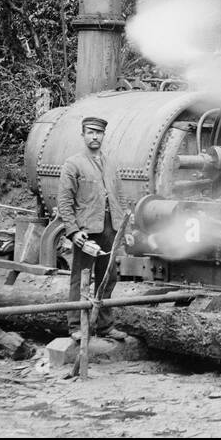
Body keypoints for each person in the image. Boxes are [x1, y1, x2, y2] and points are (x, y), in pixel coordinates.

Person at [57, 116, 129, 341]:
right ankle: (76, 327)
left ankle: (105, 326)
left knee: (108, 277)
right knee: (81, 278)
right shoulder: (73, 164)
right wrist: (73, 231)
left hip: (110, 229)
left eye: (98, 132)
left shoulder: (110, 164)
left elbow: (120, 198)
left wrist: (124, 230)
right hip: (87, 232)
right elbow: (64, 201)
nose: (95, 136)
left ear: (103, 135)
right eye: (90, 132)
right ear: (83, 135)